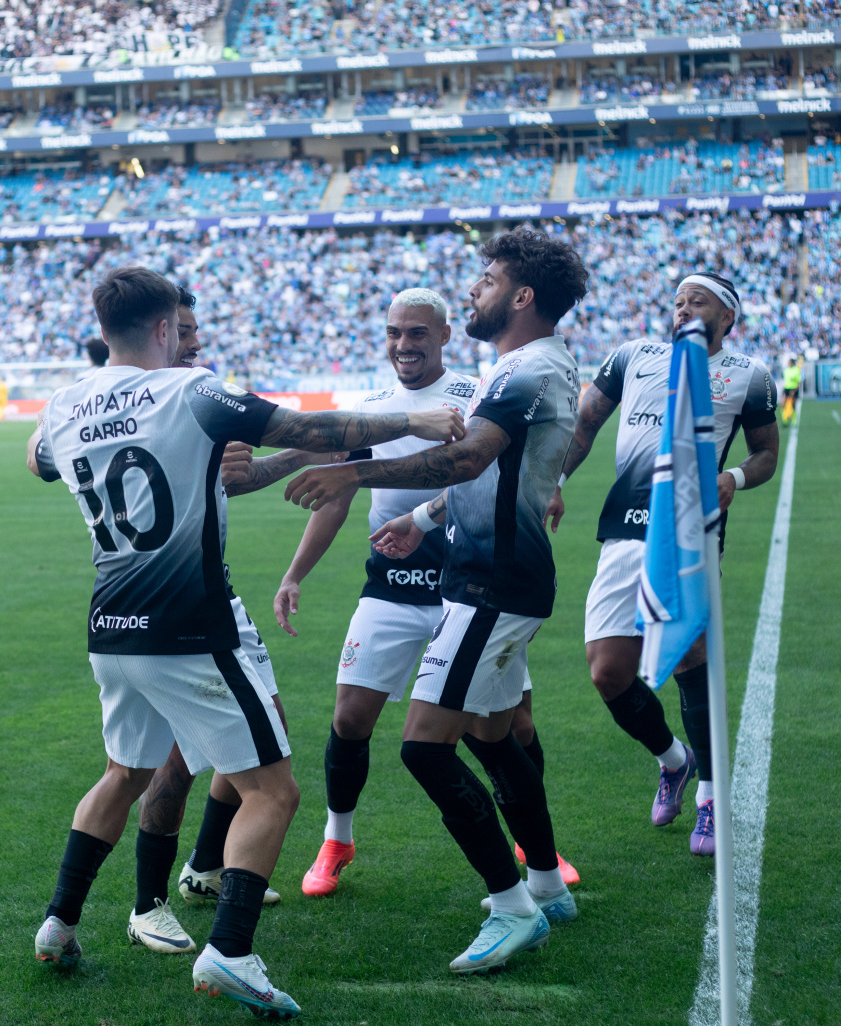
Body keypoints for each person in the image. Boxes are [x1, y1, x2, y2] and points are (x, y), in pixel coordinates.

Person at [26, 265, 464, 1018]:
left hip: (111, 623)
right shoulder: (191, 388)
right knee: (273, 789)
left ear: (102, 331)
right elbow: (311, 430)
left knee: (122, 773)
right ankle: (229, 952)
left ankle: (59, 922)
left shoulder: (63, 405)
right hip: (190, 622)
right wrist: (413, 421)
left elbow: (36, 460)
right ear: (166, 328)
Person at [284, 225, 586, 974]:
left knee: (423, 746)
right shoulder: (520, 364)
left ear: (520, 296)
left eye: (484, 280)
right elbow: (475, 482)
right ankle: (546, 884)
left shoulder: (527, 369)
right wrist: (419, 520)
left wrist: (356, 478)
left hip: (491, 584)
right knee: (491, 736)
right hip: (490, 577)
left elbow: (467, 456)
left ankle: (512, 908)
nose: (473, 289)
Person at [127, 284, 344, 955]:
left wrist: (296, 459)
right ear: (157, 333)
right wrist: (338, 435)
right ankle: (148, 904)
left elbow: (231, 484)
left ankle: (205, 869)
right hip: (177, 614)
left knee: (254, 739)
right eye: (184, 332)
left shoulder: (196, 398)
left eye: (196, 332)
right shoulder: (156, 407)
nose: (195, 343)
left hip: (216, 607)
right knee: (181, 762)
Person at [544, 271, 779, 856]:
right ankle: (674, 761)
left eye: (696, 302)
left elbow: (767, 452)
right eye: (677, 301)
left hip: (689, 528)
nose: (682, 310)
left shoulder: (748, 375)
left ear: (728, 318)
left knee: (687, 656)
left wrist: (734, 476)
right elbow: (585, 423)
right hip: (624, 521)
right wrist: (556, 479)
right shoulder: (632, 356)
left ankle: (708, 799)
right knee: (608, 671)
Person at [781, 355, 800, 425]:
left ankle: (794, 419)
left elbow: (798, 382)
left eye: (789, 362)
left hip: (794, 389)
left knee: (793, 405)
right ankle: (784, 419)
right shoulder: (786, 370)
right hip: (787, 388)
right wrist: (783, 390)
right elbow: (785, 381)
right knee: (783, 404)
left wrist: (794, 390)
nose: (788, 363)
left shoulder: (796, 370)